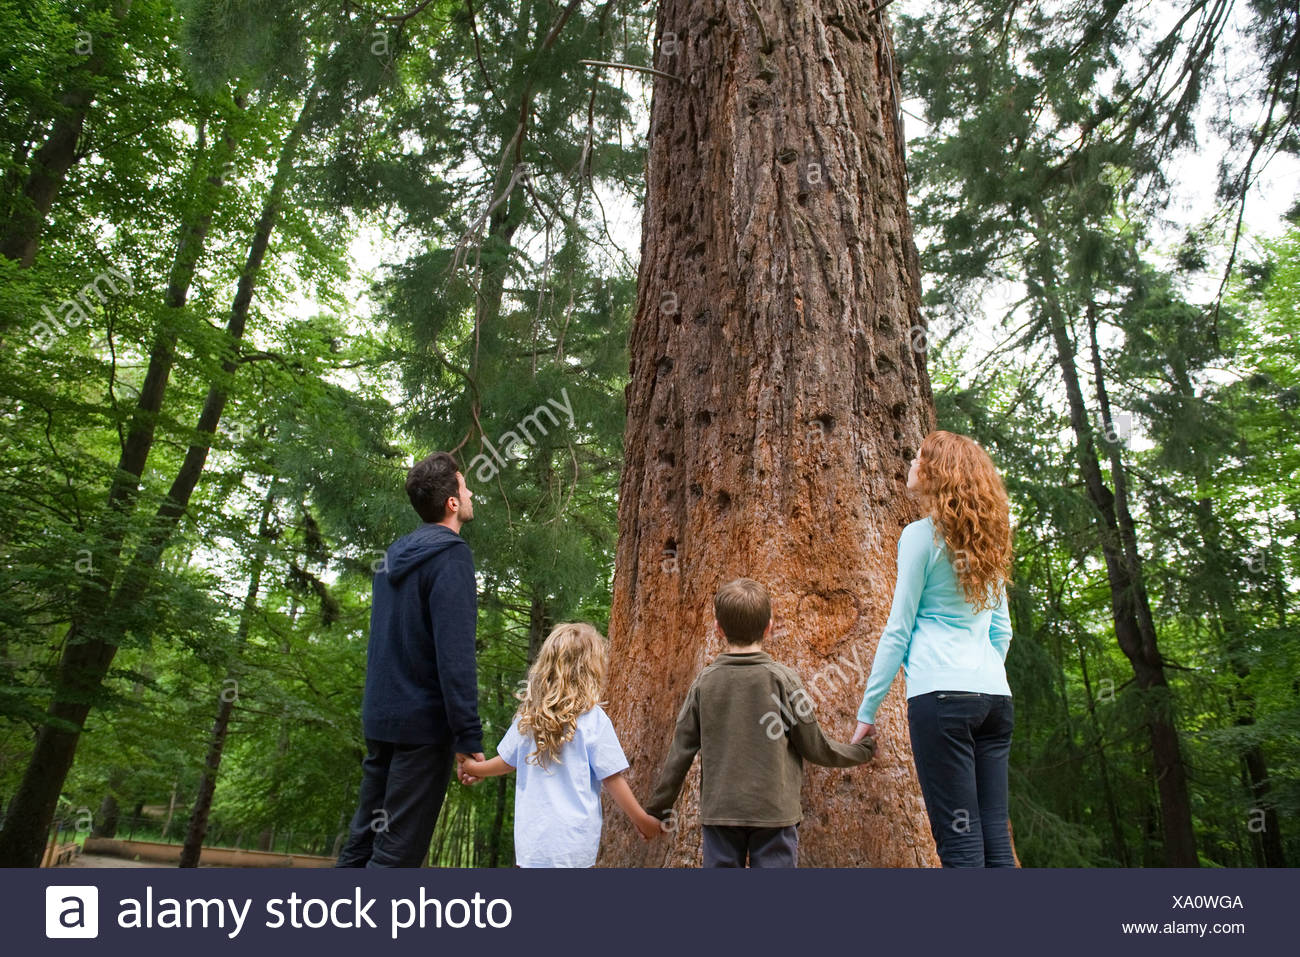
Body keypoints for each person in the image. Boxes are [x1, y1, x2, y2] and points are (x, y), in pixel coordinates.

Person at [851, 430, 1016, 867]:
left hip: (942, 703)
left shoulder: (920, 536)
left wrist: (867, 712)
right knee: (994, 838)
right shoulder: (989, 541)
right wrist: (979, 675)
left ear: (936, 472)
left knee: (960, 842)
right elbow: (1002, 632)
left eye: (918, 458)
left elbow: (898, 630)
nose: (910, 464)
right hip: (996, 701)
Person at [644, 578, 875, 867]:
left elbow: (680, 753)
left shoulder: (705, 683)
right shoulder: (783, 680)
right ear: (769, 625)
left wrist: (657, 809)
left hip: (721, 813)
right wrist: (862, 750)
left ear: (718, 628)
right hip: (774, 813)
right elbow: (815, 747)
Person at [336, 451, 484, 867]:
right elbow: (454, 657)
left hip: (381, 721)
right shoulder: (450, 556)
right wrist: (467, 738)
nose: (470, 492)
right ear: (452, 502)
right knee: (396, 855)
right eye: (465, 485)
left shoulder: (391, 560)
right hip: (421, 730)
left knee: (362, 843)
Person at [458, 622, 663, 867]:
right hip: (574, 847)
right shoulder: (594, 719)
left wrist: (472, 767)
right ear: (592, 669)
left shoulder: (529, 717)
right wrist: (643, 820)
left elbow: (505, 762)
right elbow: (612, 778)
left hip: (532, 847)